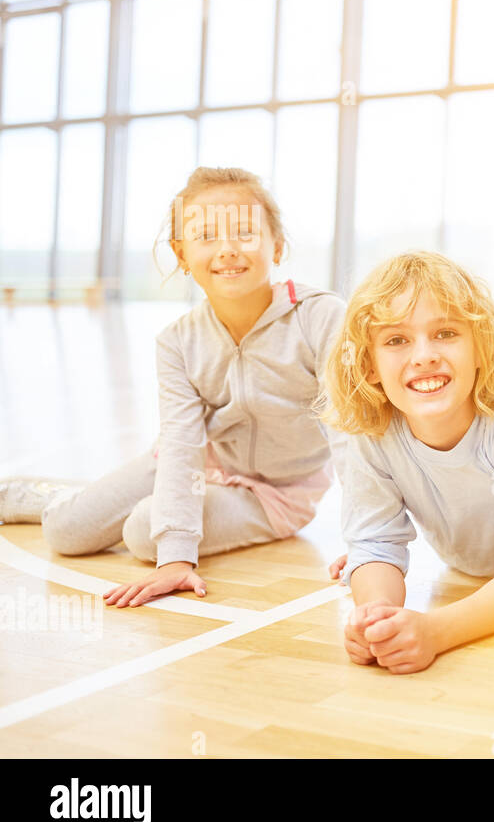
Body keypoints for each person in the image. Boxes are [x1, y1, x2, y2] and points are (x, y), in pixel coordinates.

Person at [0, 166, 346, 607]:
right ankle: (52, 496)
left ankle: (139, 510)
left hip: (276, 494)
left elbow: (350, 428)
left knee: (147, 534)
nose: (227, 249)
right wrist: (176, 544)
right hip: (195, 461)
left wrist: (367, 540)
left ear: (277, 245)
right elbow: (183, 444)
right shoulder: (177, 342)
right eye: (205, 236)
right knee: (65, 531)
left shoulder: (320, 317)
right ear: (182, 255)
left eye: (244, 232)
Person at [320, 251, 494, 675]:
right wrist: (377, 617)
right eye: (397, 340)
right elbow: (375, 545)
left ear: (480, 348)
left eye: (445, 333)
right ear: (370, 365)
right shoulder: (374, 433)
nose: (423, 356)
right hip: (476, 557)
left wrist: (434, 631)